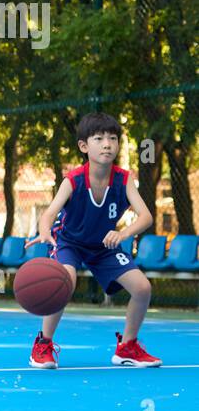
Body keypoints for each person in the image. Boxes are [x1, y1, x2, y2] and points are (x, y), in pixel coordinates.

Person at [24, 112, 161, 368]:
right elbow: (50, 213)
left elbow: (146, 217)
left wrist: (123, 233)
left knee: (142, 288)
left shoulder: (124, 179)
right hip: (69, 243)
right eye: (99, 138)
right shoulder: (73, 180)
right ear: (84, 146)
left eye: (112, 138)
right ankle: (43, 344)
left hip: (103, 246)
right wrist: (44, 231)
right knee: (64, 282)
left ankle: (127, 347)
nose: (107, 143)